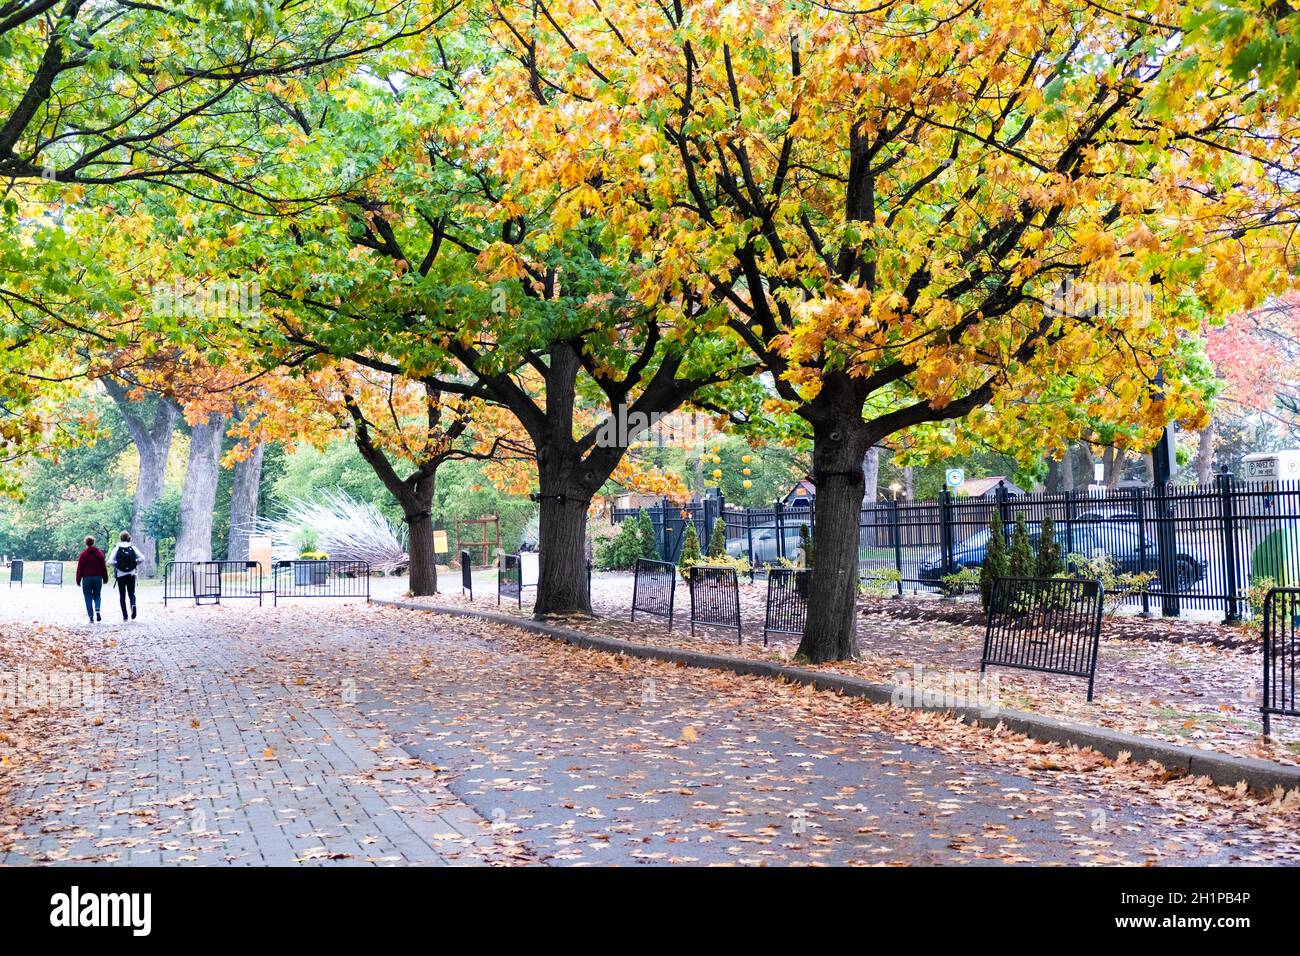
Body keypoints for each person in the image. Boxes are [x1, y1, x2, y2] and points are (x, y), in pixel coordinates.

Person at [107, 531, 140, 621]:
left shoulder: (117, 549)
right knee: (131, 593)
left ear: (120, 538)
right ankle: (133, 605)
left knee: (122, 595)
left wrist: (117, 564)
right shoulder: (132, 548)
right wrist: (135, 563)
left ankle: (125, 615)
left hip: (120, 575)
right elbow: (142, 558)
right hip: (131, 574)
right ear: (128, 538)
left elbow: (109, 561)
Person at [75, 536, 108, 624]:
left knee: (88, 597)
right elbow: (103, 567)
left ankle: (91, 616)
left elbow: (80, 568)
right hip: (98, 578)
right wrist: (105, 578)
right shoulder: (99, 553)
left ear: (85, 543)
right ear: (93, 542)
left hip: (87, 579)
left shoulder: (83, 554)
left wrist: (78, 580)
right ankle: (97, 609)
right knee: (97, 595)